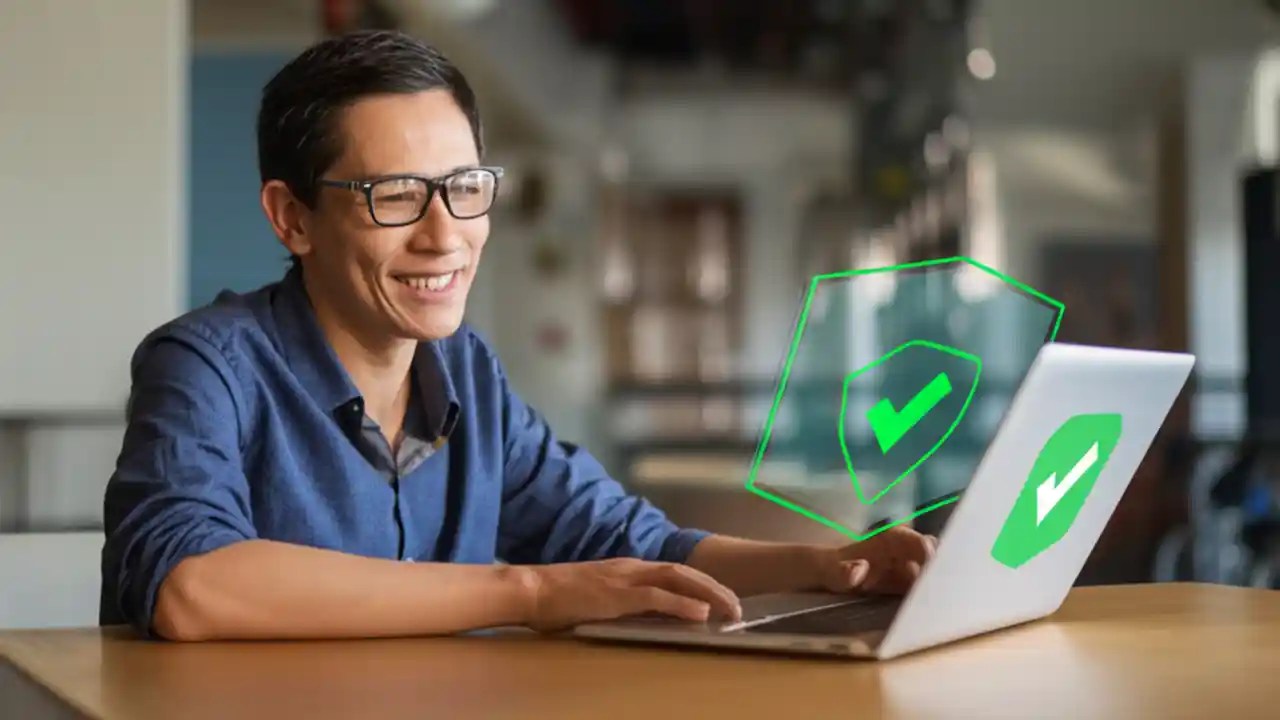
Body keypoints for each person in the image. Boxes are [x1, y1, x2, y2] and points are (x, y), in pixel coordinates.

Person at [100, 29, 935, 642]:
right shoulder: (207, 364)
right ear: (293, 218)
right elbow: (192, 587)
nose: (445, 234)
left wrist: (823, 565)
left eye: (465, 186)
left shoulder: (466, 373)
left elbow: (631, 544)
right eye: (394, 194)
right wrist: (532, 591)